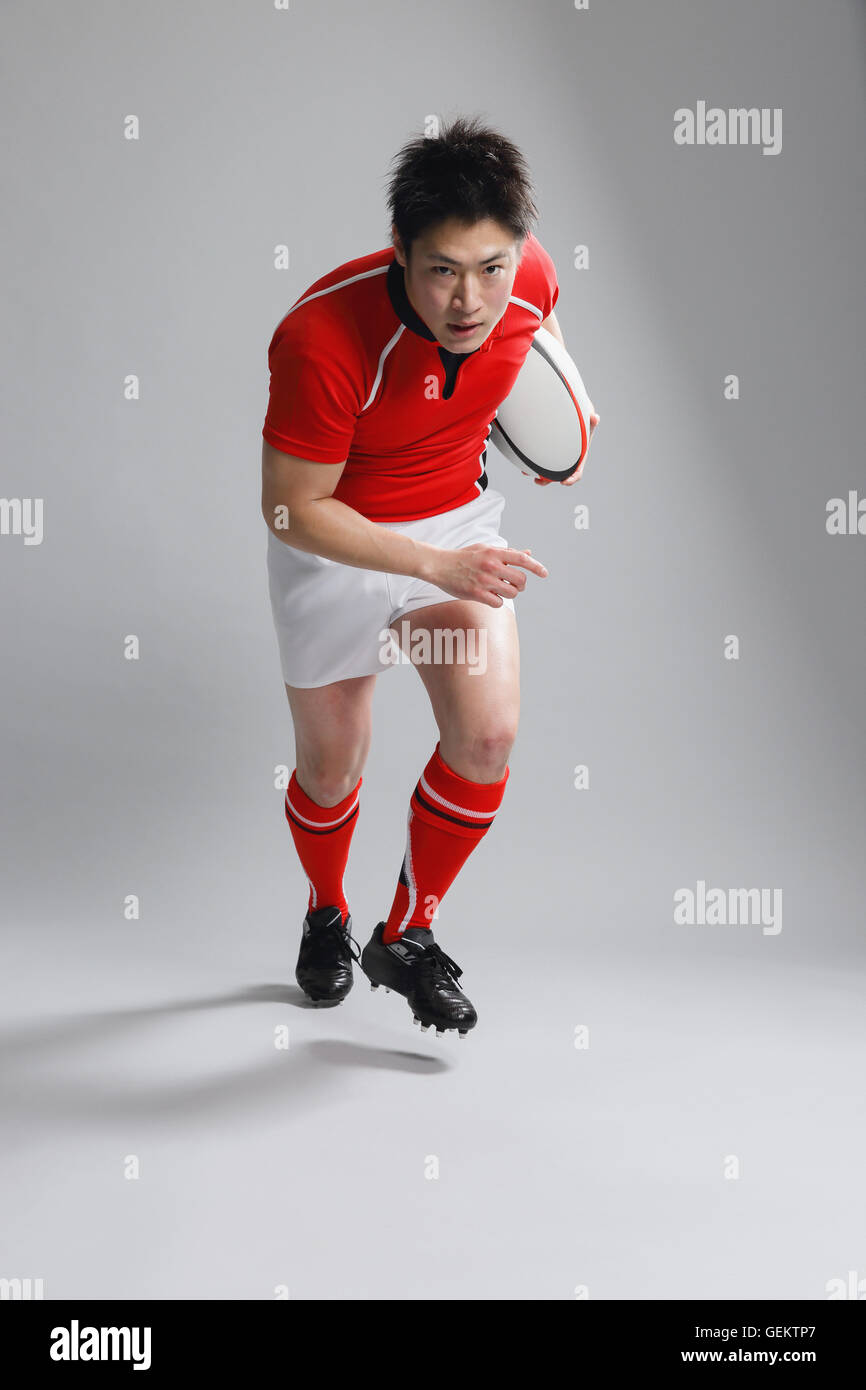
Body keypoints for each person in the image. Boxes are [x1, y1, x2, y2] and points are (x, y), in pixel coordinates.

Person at [261, 115, 599, 1039]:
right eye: (444, 269)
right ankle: (326, 909)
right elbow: (291, 508)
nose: (470, 299)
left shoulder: (519, 280)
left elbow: (538, 331)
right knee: (331, 769)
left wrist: (552, 417)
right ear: (400, 251)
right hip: (334, 545)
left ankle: (407, 934)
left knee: (486, 736)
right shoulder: (323, 340)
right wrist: (426, 563)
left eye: (490, 268)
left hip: (454, 524)